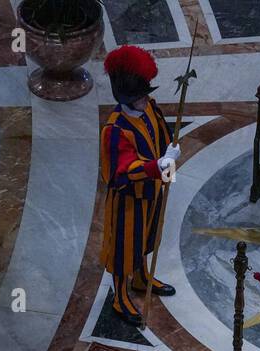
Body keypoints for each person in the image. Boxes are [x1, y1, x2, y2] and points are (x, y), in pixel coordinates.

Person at [100, 44, 177, 328]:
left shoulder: (149, 109)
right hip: (127, 201)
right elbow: (121, 170)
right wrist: (157, 166)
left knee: (147, 239)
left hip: (150, 193)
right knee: (123, 249)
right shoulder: (115, 129)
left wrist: (169, 148)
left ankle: (142, 277)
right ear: (126, 98)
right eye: (141, 96)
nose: (146, 100)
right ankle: (120, 295)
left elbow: (161, 132)